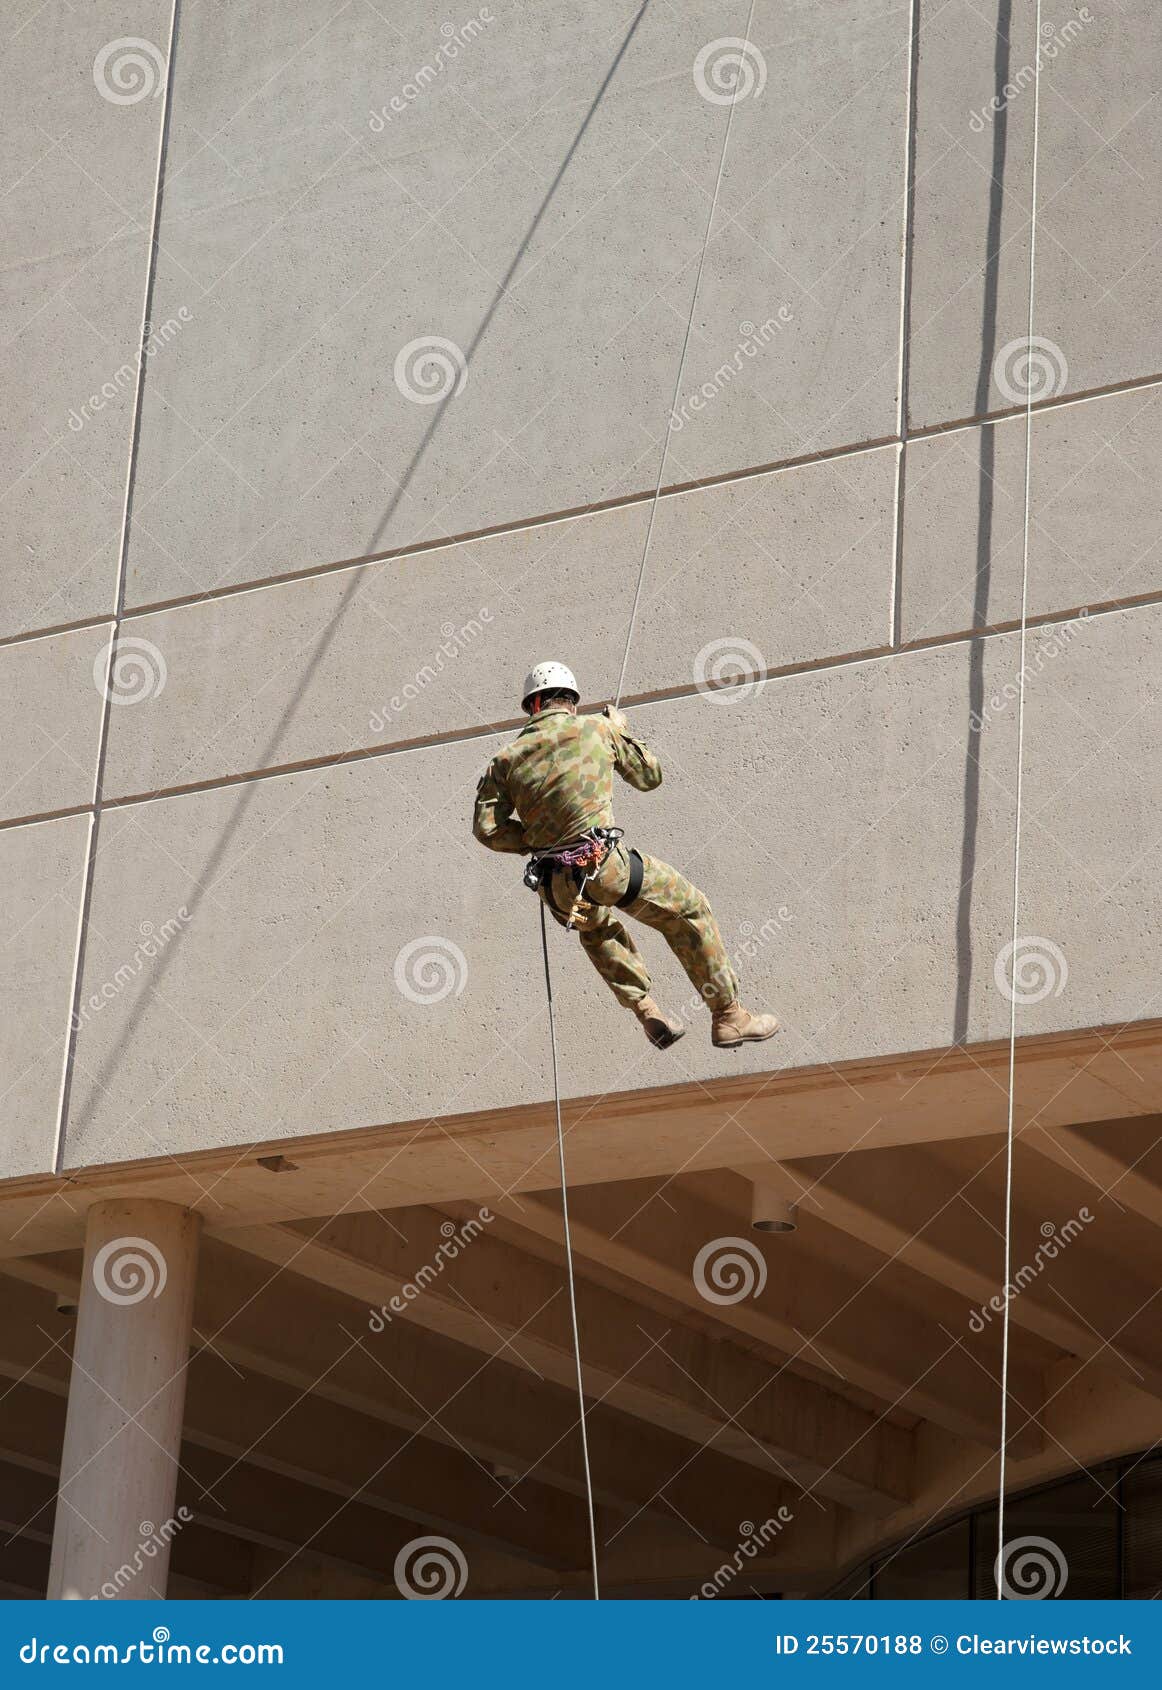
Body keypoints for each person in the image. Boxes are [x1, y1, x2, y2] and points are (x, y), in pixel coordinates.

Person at [472, 661, 780, 1050]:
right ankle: (729, 1016)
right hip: (604, 866)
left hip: (558, 889)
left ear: (533, 705)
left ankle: (647, 1010)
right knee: (688, 911)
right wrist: (621, 732)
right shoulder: (597, 729)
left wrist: (539, 840)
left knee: (596, 931)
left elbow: (488, 829)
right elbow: (649, 778)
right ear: (571, 701)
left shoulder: (504, 759)